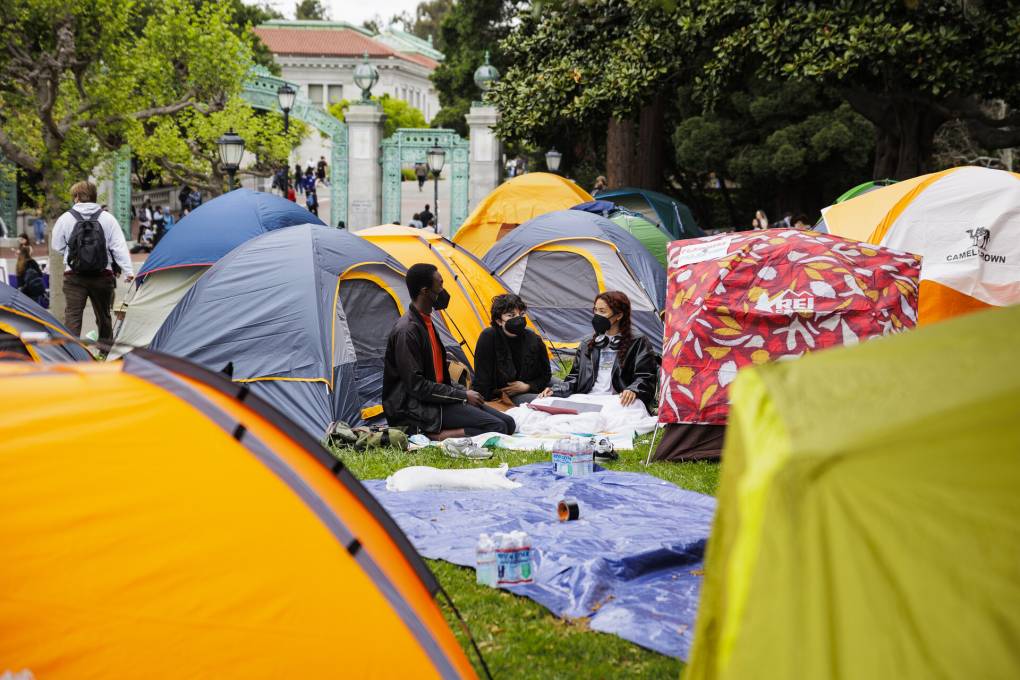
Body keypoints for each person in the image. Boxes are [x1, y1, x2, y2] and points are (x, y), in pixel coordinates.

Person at [383, 263, 516, 439]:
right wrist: (462, 395)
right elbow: (417, 387)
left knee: (509, 423)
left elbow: (438, 376)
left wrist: (461, 394)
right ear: (425, 291)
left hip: (436, 399)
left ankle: (443, 429)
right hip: (415, 408)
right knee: (497, 427)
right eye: (440, 284)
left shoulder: (427, 322)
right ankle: (434, 436)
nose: (443, 290)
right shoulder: (407, 331)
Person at [539, 291, 658, 411]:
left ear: (619, 315)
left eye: (602, 311)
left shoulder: (637, 341)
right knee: (547, 404)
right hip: (587, 398)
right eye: (595, 310)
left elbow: (646, 376)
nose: (597, 315)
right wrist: (556, 389)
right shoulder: (587, 342)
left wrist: (633, 390)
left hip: (618, 399)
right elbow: (575, 377)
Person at [51, 181, 134, 342]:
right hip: (102, 275)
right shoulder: (108, 218)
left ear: (76, 197)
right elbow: (118, 246)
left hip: (74, 276)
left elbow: (57, 246)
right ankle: (105, 353)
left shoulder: (65, 218)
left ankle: (72, 356)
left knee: (73, 317)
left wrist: (72, 254)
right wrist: (128, 271)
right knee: (103, 316)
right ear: (94, 196)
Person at [472, 294, 551, 407]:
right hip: (506, 395)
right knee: (546, 402)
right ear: (499, 321)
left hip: (531, 384)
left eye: (521, 314)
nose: (518, 319)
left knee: (565, 388)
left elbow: (546, 374)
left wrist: (527, 386)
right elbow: (482, 380)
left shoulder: (533, 338)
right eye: (511, 315)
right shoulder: (489, 337)